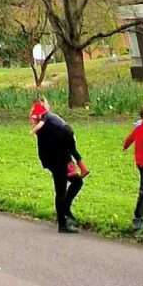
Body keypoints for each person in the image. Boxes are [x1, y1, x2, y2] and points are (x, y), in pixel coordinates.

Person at [30, 97, 86, 232]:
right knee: (61, 189)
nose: (49, 106)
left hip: (53, 159)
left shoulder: (43, 121)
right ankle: (62, 222)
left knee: (76, 182)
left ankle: (64, 210)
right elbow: (67, 135)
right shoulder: (48, 119)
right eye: (47, 103)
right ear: (42, 105)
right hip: (59, 160)